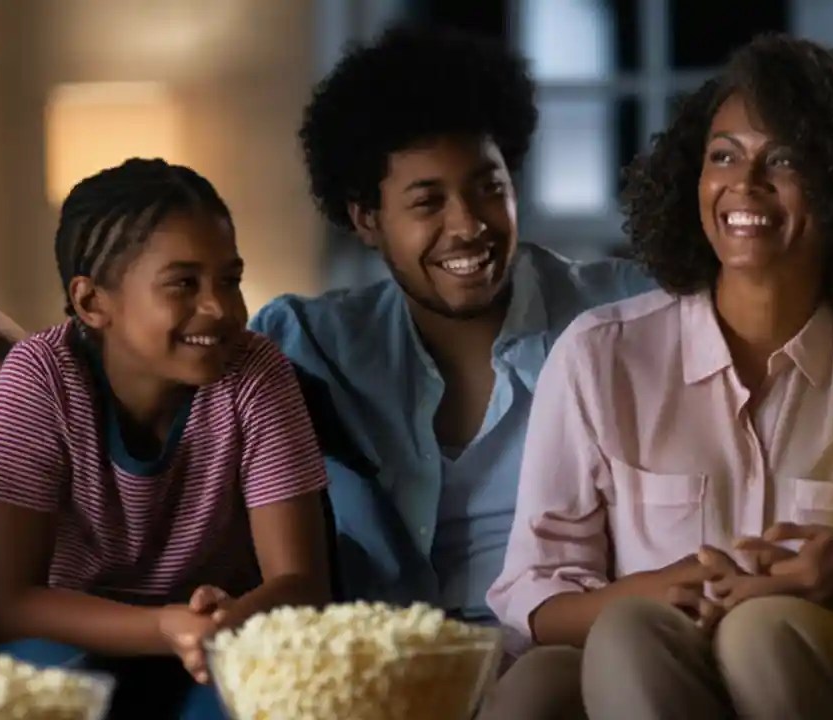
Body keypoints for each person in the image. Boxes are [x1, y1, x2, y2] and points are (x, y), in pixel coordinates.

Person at [485, 35, 833, 720]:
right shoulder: (603, 355)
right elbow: (531, 590)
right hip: (644, 662)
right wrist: (651, 591)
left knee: (757, 631)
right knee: (624, 630)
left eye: (783, 159)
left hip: (810, 658)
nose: (744, 184)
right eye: (723, 155)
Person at [249, 24, 652, 625]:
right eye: (427, 202)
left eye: (488, 189)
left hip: (568, 648)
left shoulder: (621, 312)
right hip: (386, 662)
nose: (468, 225)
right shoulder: (308, 345)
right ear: (366, 218)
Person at [0, 159, 332, 719]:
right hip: (72, 637)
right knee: (31, 684)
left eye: (230, 279)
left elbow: (302, 583)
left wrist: (225, 621)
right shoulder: (40, 376)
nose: (220, 308)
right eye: (183, 283)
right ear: (91, 303)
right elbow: (8, 605)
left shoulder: (255, 373)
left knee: (255, 696)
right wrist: (162, 627)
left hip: (215, 644)